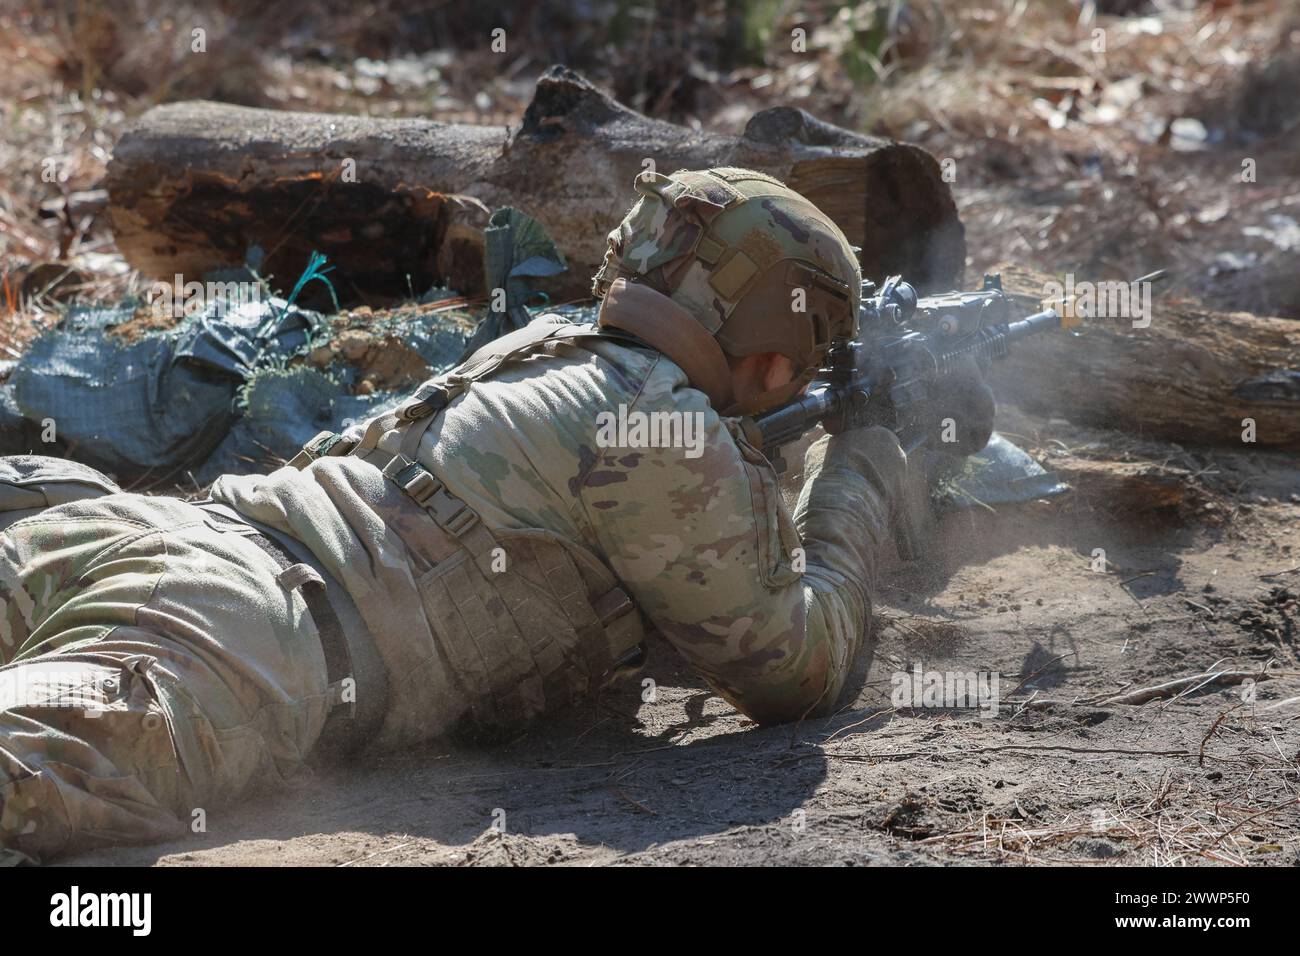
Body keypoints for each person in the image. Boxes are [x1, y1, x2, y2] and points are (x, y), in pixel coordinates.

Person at [0, 167, 991, 863]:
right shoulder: (660, 426)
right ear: (777, 352)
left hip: (148, 539)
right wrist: (860, 459)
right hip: (233, 632)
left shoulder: (552, 351)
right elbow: (798, 667)